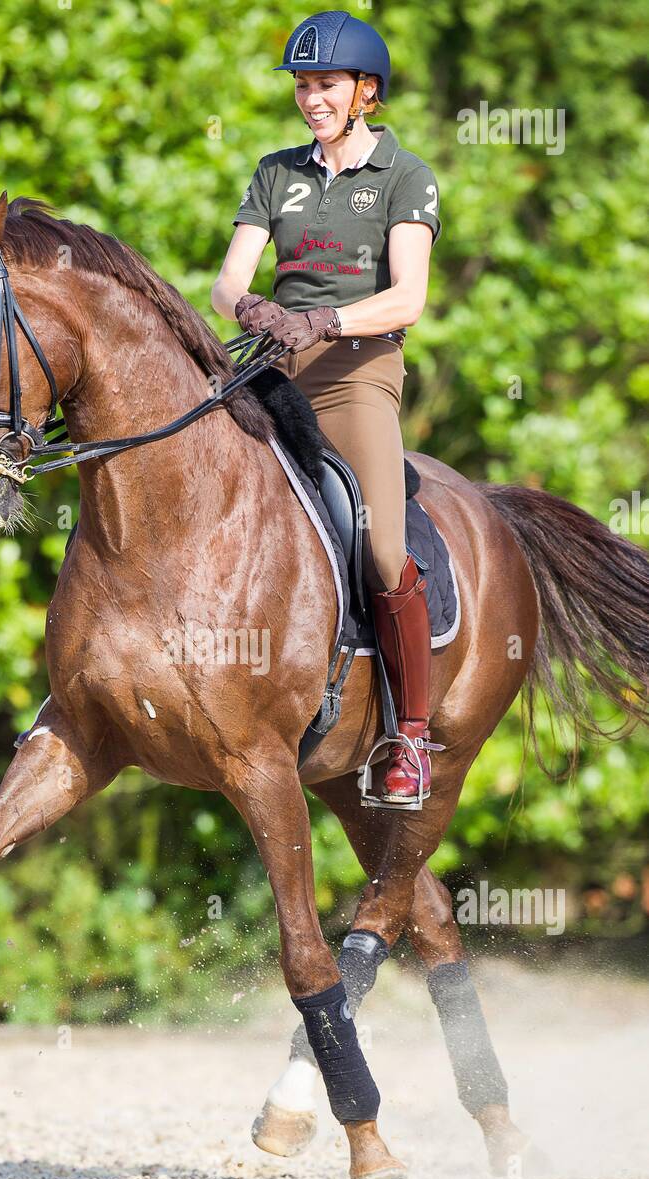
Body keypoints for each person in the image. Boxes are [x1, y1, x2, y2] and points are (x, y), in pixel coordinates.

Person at [211, 10, 441, 802]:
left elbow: (408, 296)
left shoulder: (405, 177)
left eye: (326, 85)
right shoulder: (276, 172)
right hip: (272, 366)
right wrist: (251, 311)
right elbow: (228, 279)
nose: (311, 98)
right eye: (303, 85)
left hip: (356, 374)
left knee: (380, 551)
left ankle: (410, 738)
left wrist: (325, 318)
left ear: (365, 92)